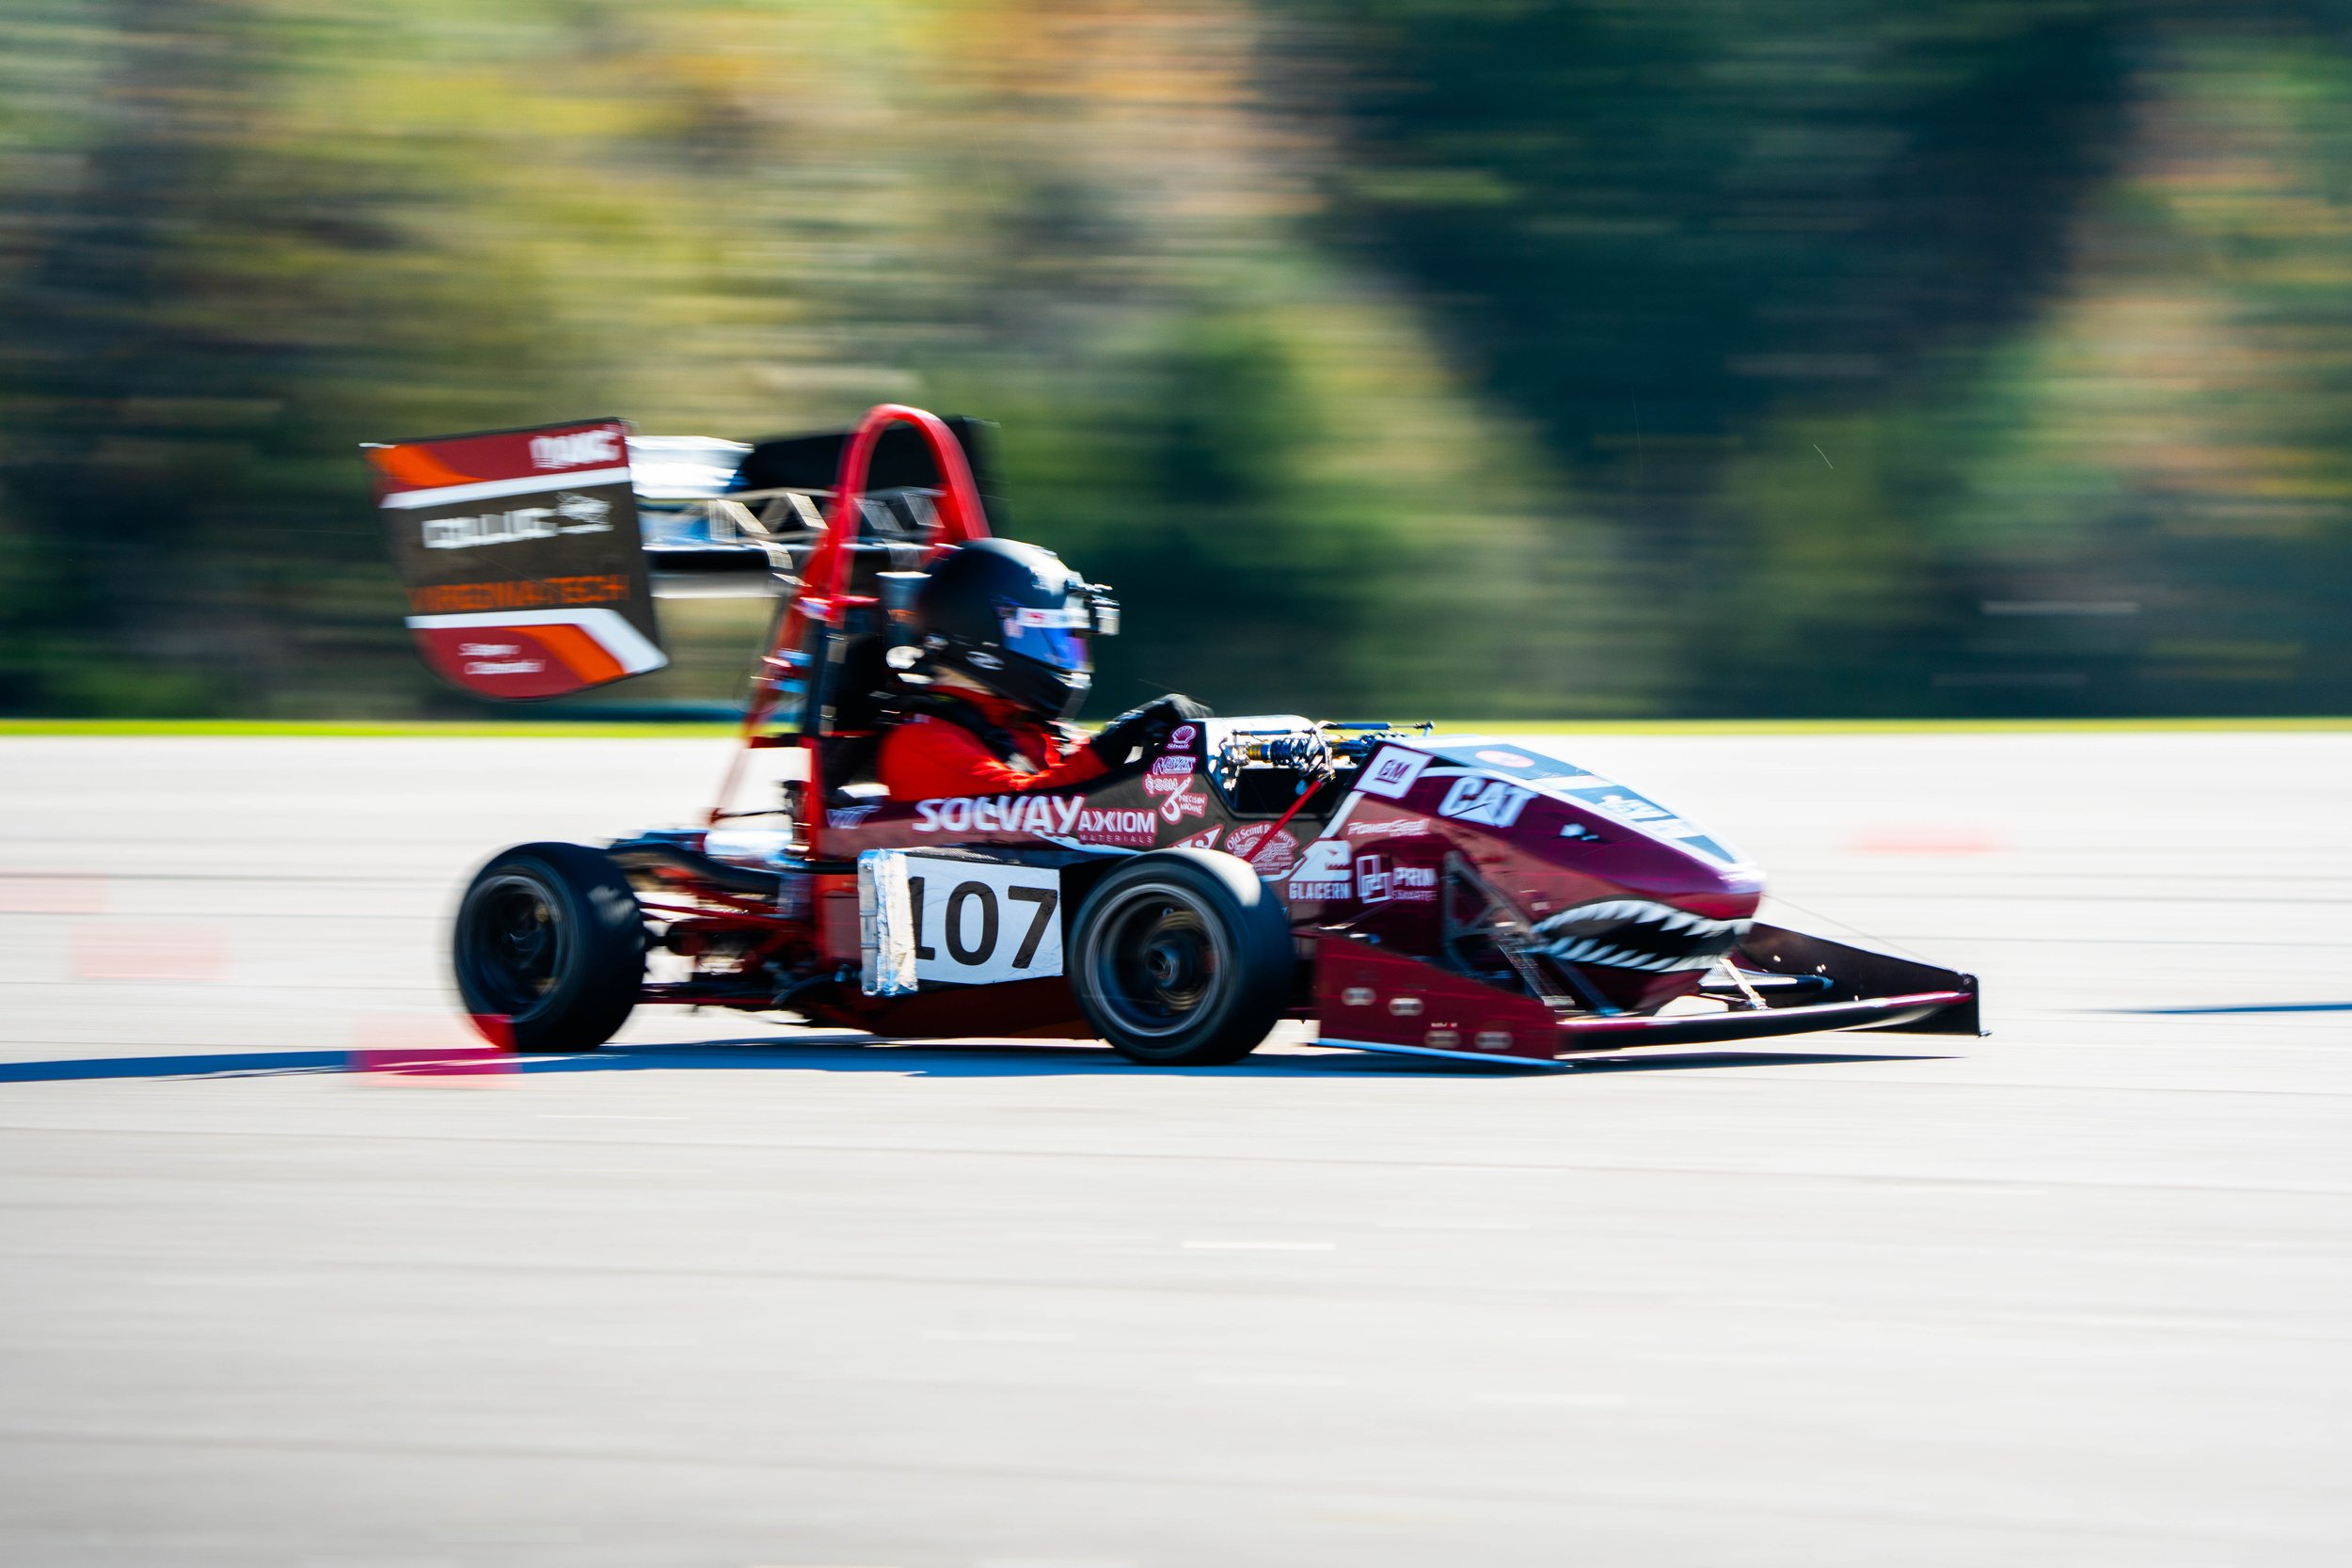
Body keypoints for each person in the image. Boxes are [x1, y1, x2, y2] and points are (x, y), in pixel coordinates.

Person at [878, 538, 1207, 801]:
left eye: (1066, 639)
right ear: (981, 631)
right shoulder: (920, 742)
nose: (1062, 654)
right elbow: (1028, 808)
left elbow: (1076, 775)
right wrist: (1118, 738)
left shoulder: (1028, 728)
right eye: (1045, 637)